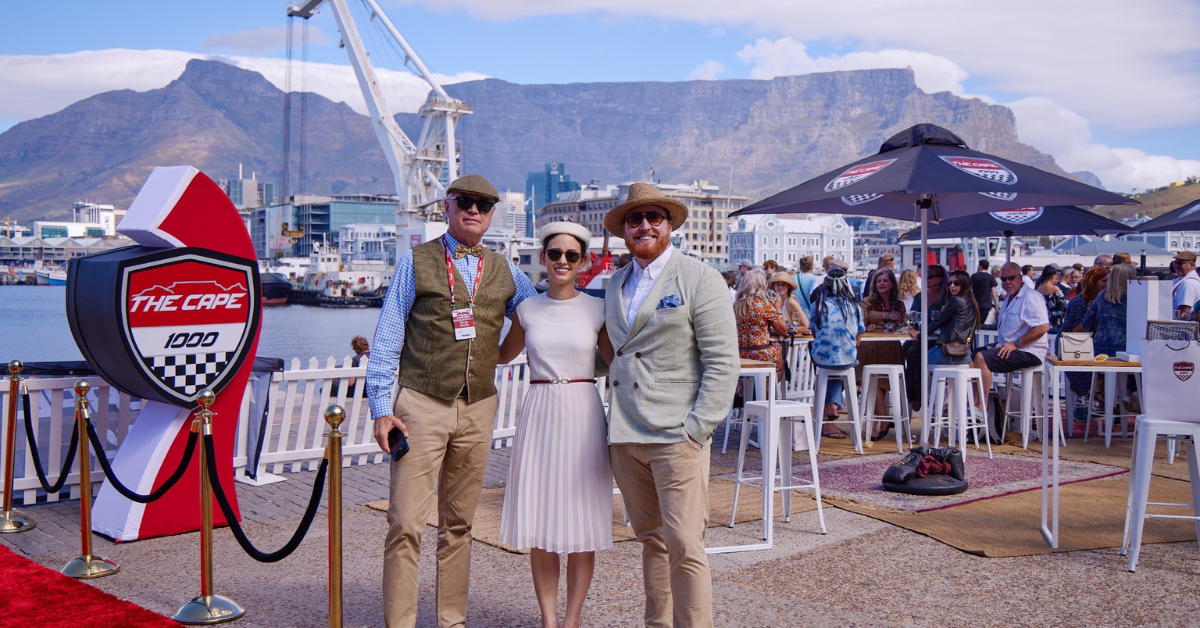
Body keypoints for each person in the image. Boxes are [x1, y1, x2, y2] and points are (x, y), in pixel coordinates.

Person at [366, 173, 538, 628]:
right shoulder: (416, 261)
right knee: (406, 523)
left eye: (484, 204)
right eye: (465, 202)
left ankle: (452, 621)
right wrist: (381, 409)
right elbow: (388, 335)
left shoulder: (506, 270)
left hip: (479, 407)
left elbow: (537, 314)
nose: (474, 210)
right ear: (447, 206)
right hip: (421, 404)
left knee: (459, 525)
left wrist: (504, 353)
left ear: (492, 213)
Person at [601, 182, 739, 628]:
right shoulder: (614, 282)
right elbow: (611, 351)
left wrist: (697, 428)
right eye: (634, 218)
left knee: (685, 545)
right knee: (651, 541)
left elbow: (723, 362)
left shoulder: (700, 278)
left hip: (677, 435)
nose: (644, 225)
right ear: (624, 229)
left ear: (669, 225)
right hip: (626, 435)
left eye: (653, 217)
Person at [497, 222, 615, 628]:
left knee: (583, 519)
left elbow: (620, 363)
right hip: (540, 412)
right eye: (554, 254)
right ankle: (549, 620)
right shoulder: (526, 310)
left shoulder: (597, 309)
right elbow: (499, 356)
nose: (562, 261)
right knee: (541, 519)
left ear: (583, 261)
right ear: (543, 258)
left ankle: (572, 619)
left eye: (571, 255)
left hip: (584, 413)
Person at [970, 262, 1050, 417]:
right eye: (1003, 279)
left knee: (981, 357)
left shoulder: (1032, 297)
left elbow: (1043, 327)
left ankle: (981, 407)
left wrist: (1016, 343)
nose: (1007, 282)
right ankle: (975, 402)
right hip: (1015, 347)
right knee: (972, 355)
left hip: (1029, 351)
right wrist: (999, 343)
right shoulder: (1009, 297)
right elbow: (1014, 329)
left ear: (1020, 277)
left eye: (1011, 278)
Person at [811, 259, 865, 438]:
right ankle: (832, 408)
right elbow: (859, 335)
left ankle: (827, 413)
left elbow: (814, 331)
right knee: (842, 361)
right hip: (847, 358)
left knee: (829, 365)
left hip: (821, 358)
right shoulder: (855, 306)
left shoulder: (818, 305)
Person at [858, 268, 905, 440]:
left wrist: (901, 325)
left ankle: (873, 428)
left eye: (885, 280)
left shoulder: (899, 304)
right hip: (871, 345)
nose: (882, 284)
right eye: (879, 281)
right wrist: (866, 327)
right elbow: (860, 324)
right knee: (873, 383)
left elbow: (904, 323)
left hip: (891, 346)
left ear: (892, 283)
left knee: (882, 384)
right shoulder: (867, 302)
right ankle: (884, 419)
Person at [1062, 267, 1109, 400]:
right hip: (1073, 347)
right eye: (1104, 281)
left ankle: (1101, 399)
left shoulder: (1105, 301)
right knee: (1100, 368)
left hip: (1093, 346)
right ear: (1093, 282)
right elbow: (1076, 330)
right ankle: (1096, 393)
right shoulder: (1079, 301)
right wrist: (1092, 314)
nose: (1107, 284)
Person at [917, 269, 980, 368]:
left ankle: (924, 379)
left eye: (956, 283)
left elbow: (938, 321)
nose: (952, 286)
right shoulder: (972, 301)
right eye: (950, 283)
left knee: (918, 360)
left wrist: (919, 335)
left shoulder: (956, 300)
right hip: (965, 354)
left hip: (948, 353)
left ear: (964, 283)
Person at [736, 269, 788, 380]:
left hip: (739, 354)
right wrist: (777, 309)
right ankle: (767, 389)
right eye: (765, 283)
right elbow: (783, 331)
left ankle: (749, 388)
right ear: (759, 286)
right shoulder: (763, 306)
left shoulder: (735, 306)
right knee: (781, 362)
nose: (766, 286)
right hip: (760, 353)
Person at [1083, 263, 1136, 358]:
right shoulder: (1133, 299)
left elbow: (1087, 323)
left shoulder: (1101, 297)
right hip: (1124, 347)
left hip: (1099, 345)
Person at [1036, 264, 1068, 333]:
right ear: (1052, 276)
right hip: (1056, 320)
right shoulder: (1055, 288)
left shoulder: (1038, 289)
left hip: (1044, 320)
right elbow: (1064, 304)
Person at [1171, 251, 1200, 320]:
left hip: (1177, 325)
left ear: (1191, 265)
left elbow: (1184, 312)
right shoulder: (1183, 279)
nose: (1176, 266)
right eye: (1175, 263)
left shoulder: (1188, 283)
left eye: (1180, 263)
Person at [971, 260, 997, 325]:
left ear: (981, 266)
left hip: (974, 304)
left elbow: (969, 290)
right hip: (986, 306)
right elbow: (993, 294)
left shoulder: (973, 276)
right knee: (984, 325)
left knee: (974, 324)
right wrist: (996, 306)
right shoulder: (990, 277)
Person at [793, 255, 818, 320]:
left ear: (800, 266)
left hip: (796, 315)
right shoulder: (816, 280)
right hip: (812, 315)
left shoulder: (792, 279)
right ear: (811, 266)